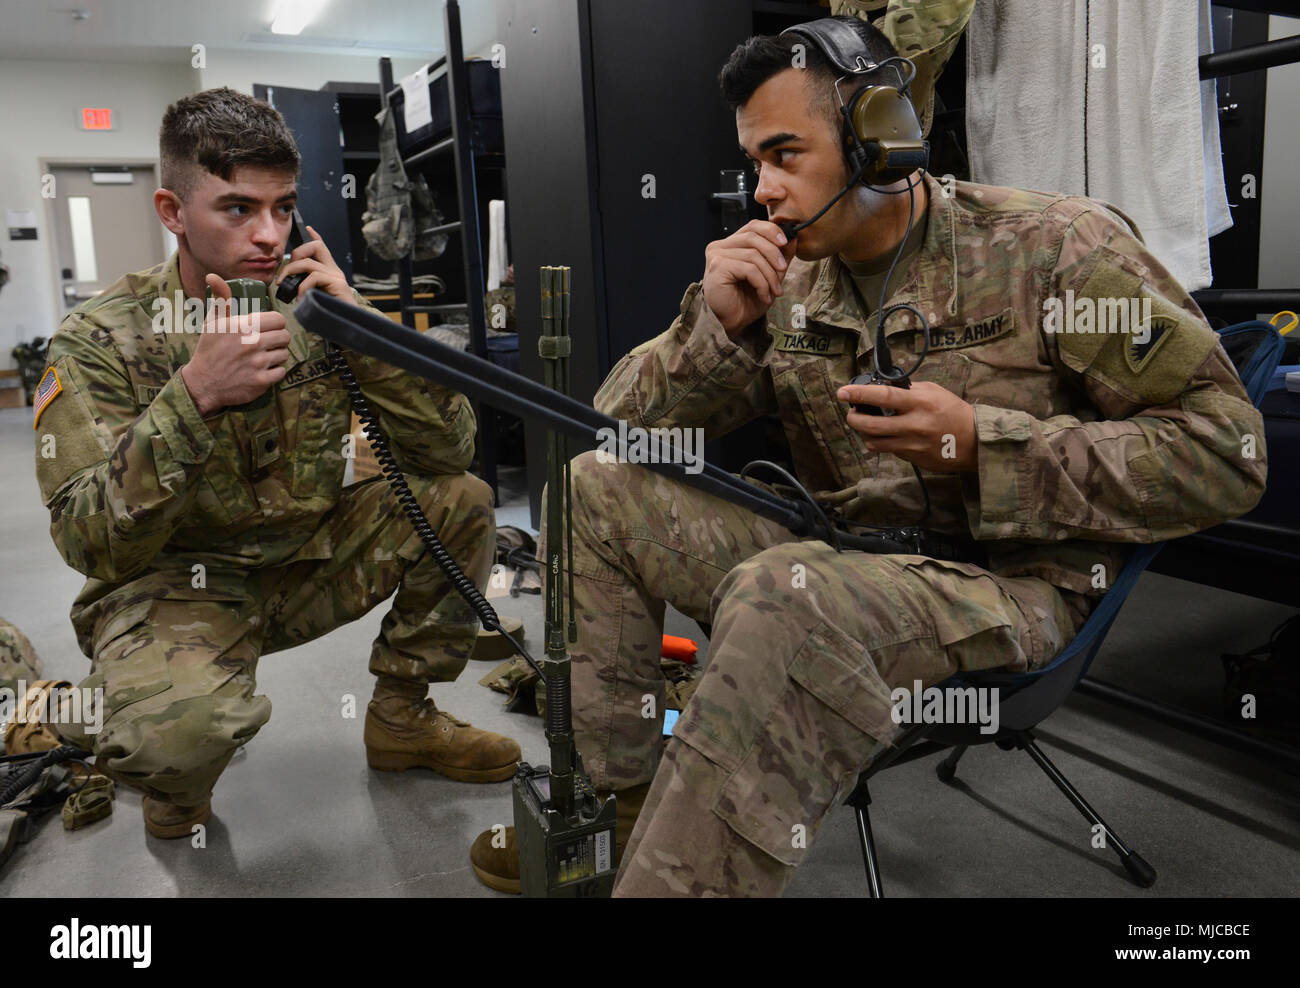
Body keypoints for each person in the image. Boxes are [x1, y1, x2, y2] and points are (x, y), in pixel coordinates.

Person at [470, 15, 1266, 896]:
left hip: (1012, 586)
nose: (763, 189)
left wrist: (979, 445)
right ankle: (618, 808)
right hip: (842, 557)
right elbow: (612, 431)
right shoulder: (791, 286)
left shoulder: (1055, 248)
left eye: (785, 154)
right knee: (591, 492)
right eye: (753, 163)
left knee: (786, 598)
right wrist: (713, 330)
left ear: (880, 138)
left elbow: (1226, 453)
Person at [34, 88, 519, 839]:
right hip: (177, 585)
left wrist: (361, 330)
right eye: (237, 209)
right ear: (172, 211)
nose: (268, 234)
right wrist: (193, 397)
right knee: (179, 738)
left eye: (284, 207)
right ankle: (172, 768)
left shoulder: (311, 305)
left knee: (462, 498)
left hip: (307, 557)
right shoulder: (101, 339)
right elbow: (87, 538)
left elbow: (448, 450)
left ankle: (401, 719)